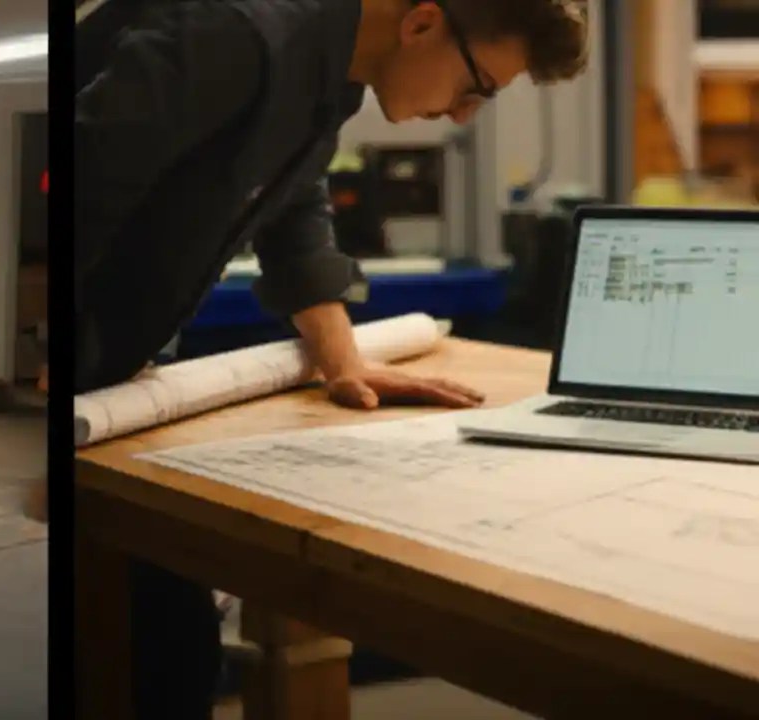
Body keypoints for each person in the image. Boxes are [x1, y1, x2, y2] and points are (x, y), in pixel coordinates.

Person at [74, 0, 589, 717]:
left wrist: (342, 359)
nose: (466, 115)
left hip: (117, 369)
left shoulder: (327, 64)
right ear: (422, 22)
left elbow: (293, 195)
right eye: (478, 88)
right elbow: (78, 181)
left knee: (171, 644)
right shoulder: (240, 32)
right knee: (149, 654)